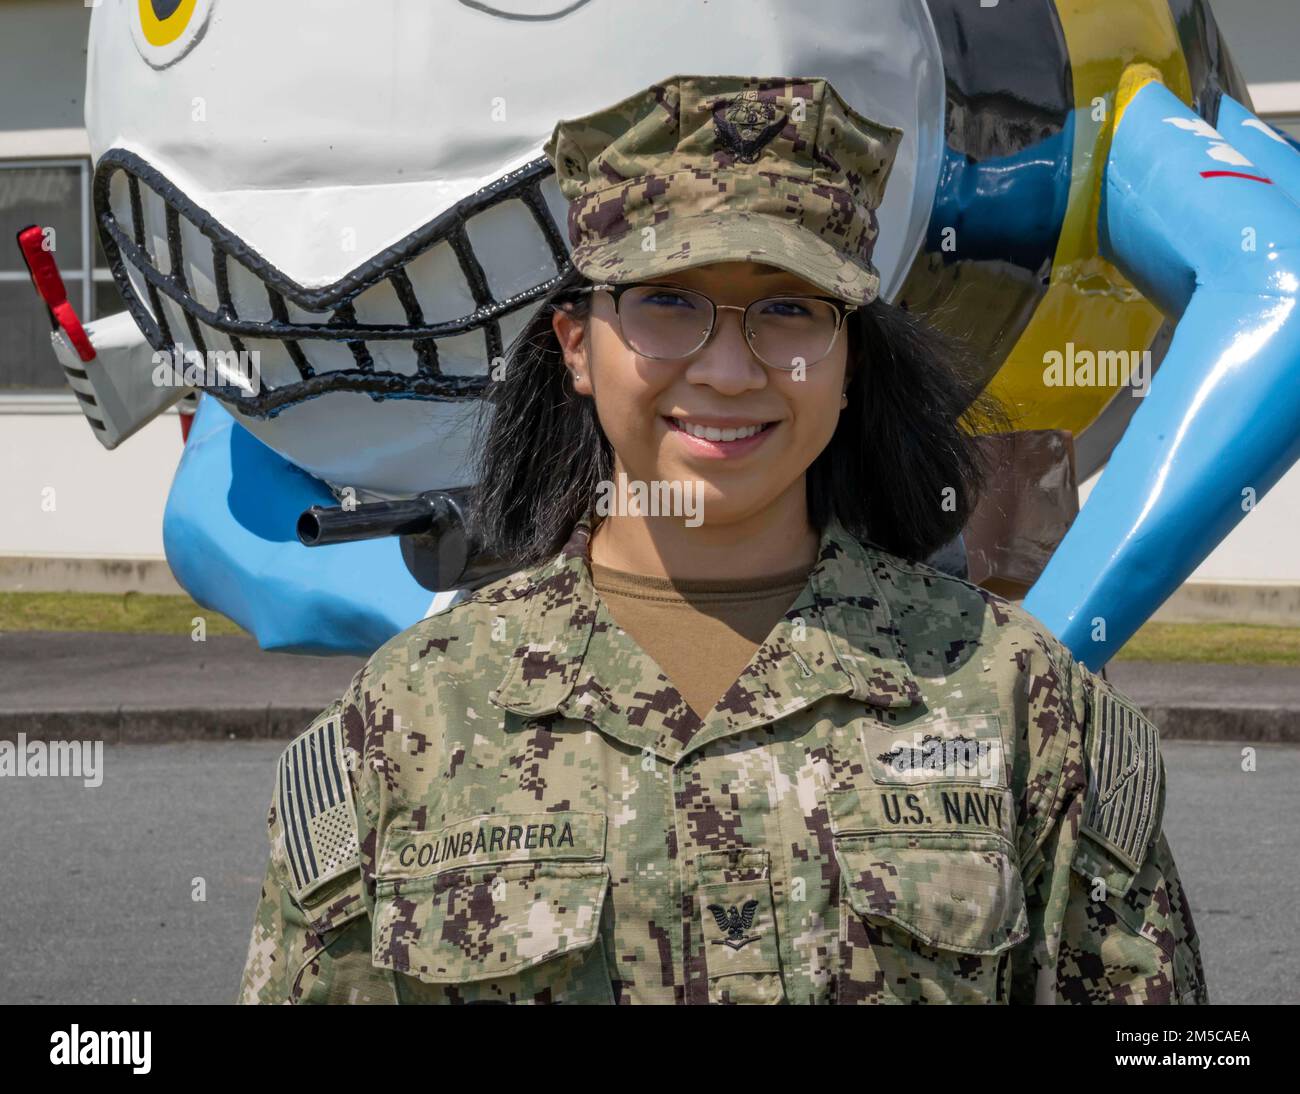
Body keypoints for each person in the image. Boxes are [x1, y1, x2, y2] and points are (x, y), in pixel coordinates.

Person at [237, 74, 1207, 1005]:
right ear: (576, 343)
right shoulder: (408, 719)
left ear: (848, 358)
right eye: (667, 300)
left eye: (788, 307)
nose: (730, 368)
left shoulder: (1018, 703)